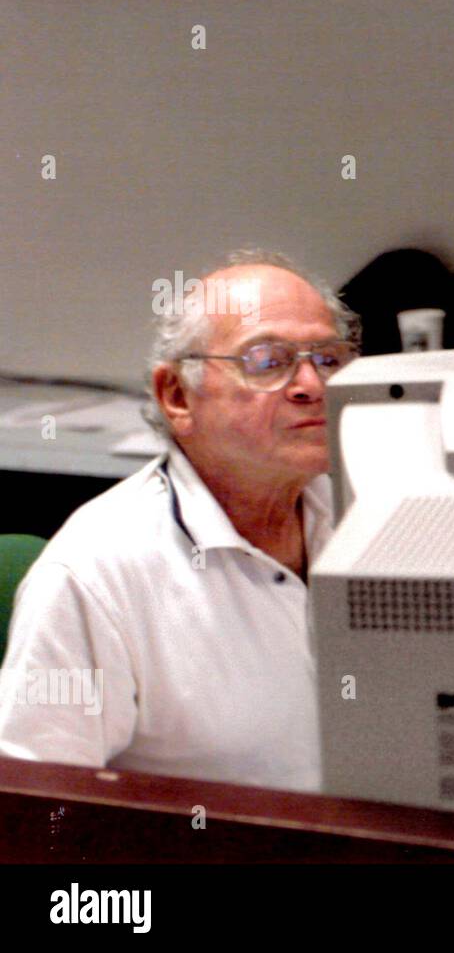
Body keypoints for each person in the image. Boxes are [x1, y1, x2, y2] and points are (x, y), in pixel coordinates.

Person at [0, 250, 359, 792]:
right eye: (267, 361)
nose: (312, 384)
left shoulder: (372, 514)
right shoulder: (96, 573)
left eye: (328, 359)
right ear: (177, 396)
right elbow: (36, 813)